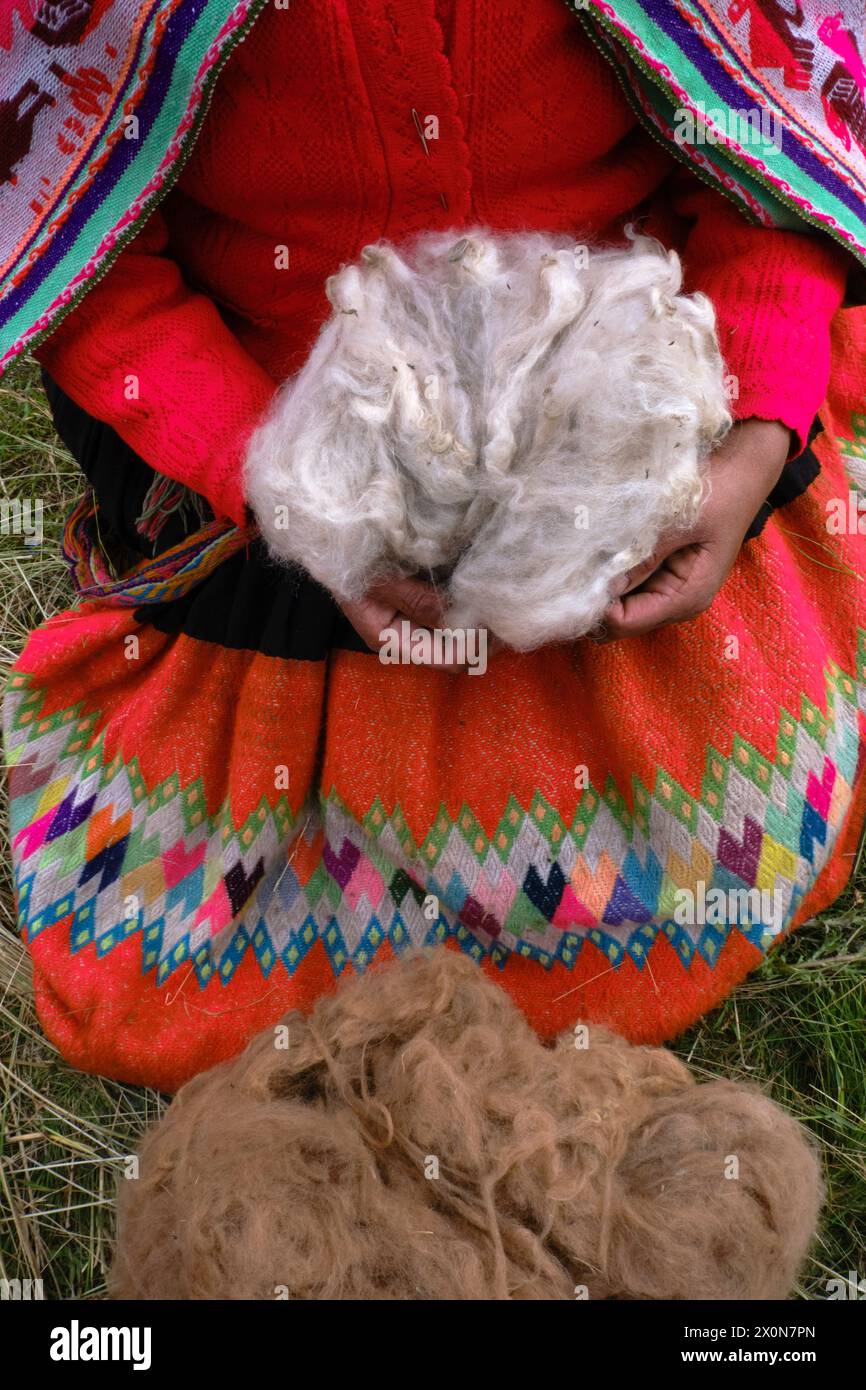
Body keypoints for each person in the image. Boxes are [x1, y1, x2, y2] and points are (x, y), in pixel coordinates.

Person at [5, 0, 866, 1090]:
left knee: (717, 844)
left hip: (639, 420)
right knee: (178, 966)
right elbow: (80, 250)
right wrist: (279, 486)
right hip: (282, 451)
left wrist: (753, 427)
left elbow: (775, 139)